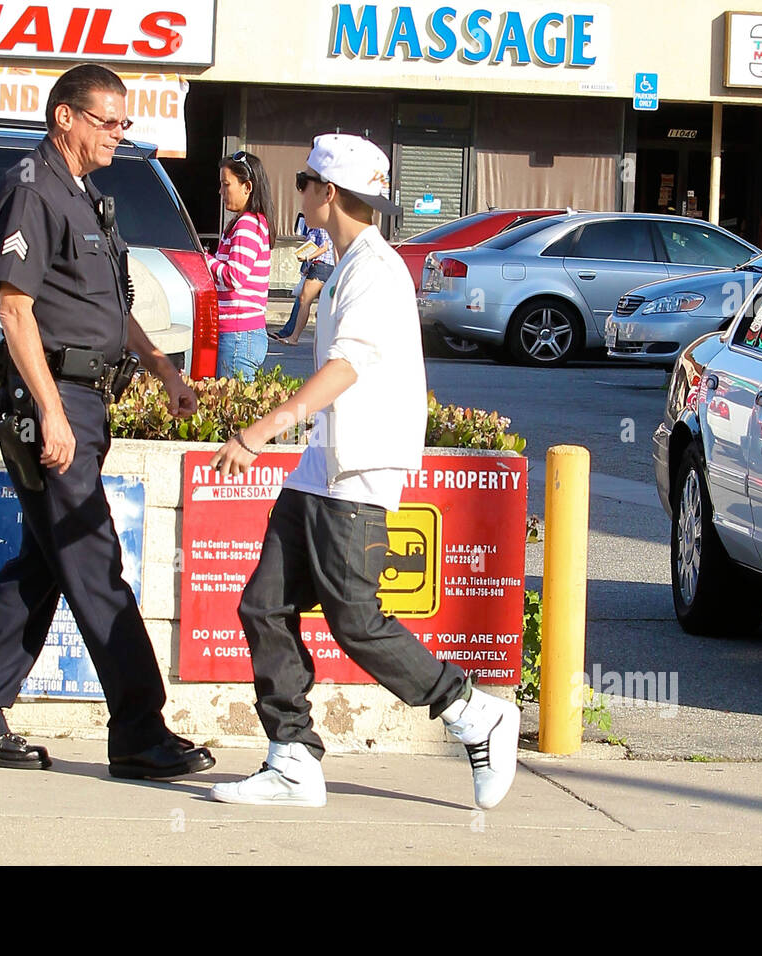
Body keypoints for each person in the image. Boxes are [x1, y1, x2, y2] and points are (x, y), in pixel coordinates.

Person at [207, 134, 520, 810]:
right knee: (264, 605)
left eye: (302, 182)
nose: (297, 194)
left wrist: (261, 431)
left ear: (327, 193)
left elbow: (345, 368)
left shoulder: (375, 271)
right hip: (322, 468)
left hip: (357, 474)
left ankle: (472, 711)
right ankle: (292, 759)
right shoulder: (347, 262)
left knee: (357, 621)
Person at [0, 64, 215, 780]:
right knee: (94, 561)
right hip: (50, 402)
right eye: (108, 122)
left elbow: (106, 306)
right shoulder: (30, 188)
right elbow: (16, 309)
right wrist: (53, 413)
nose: (119, 136)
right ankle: (140, 733)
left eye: (124, 124)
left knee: (46, 563)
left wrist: (161, 367)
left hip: (85, 400)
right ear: (65, 117)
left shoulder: (84, 193)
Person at [207, 150, 272, 380]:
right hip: (241, 334)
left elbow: (234, 277)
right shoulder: (249, 222)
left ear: (247, 187)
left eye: (226, 185)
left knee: (231, 409)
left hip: (238, 334)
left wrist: (205, 260)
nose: (221, 192)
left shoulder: (246, 224)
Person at [272, 216, 334, 346]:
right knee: (324, 305)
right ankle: (325, 339)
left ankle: (294, 337)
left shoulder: (321, 223)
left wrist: (307, 257)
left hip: (320, 266)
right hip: (323, 266)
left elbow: (325, 247)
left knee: (304, 301)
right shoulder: (320, 224)